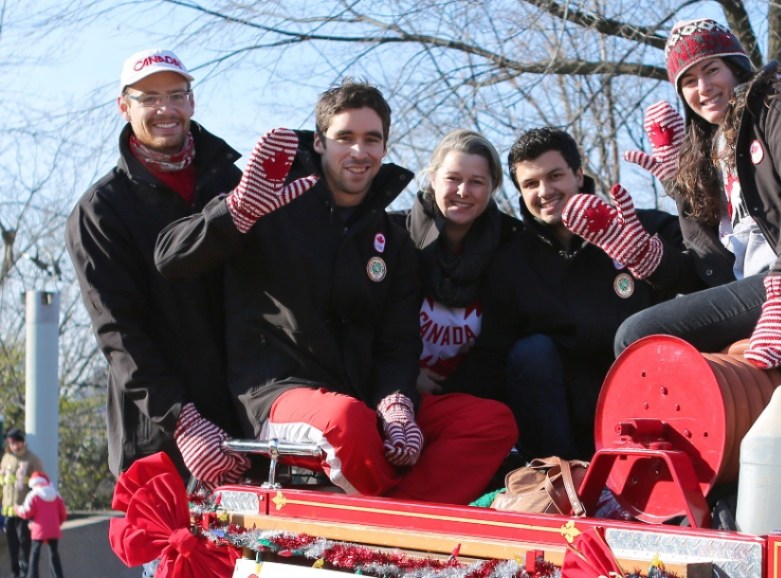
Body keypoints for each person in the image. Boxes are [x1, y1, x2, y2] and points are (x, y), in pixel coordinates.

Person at [153, 81, 518, 504]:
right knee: (346, 423)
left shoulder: (393, 239)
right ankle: (398, 520)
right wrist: (235, 213)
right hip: (281, 396)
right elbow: (169, 258)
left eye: (372, 139)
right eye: (345, 137)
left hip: (362, 399)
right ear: (320, 142)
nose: (359, 151)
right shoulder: (269, 203)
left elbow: (398, 343)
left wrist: (397, 400)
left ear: (384, 147)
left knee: (490, 422)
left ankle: (392, 522)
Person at [562, 19, 781, 406]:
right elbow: (710, 271)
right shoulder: (711, 154)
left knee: (638, 335)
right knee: (643, 336)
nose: (703, 87)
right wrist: (649, 255)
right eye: (688, 81)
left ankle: (680, 432)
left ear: (736, 66)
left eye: (711, 69)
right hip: (756, 293)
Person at [65, 48, 250, 487]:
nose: (165, 109)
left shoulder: (235, 186)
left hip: (246, 428)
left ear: (192, 102)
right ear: (123, 106)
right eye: (148, 98)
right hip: (159, 441)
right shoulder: (101, 210)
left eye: (176, 95)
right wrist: (182, 419)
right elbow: (119, 333)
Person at [457, 127, 684, 460]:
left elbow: (701, 271)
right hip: (560, 420)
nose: (545, 191)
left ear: (578, 174)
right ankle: (563, 475)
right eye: (531, 184)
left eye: (555, 176)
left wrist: (659, 258)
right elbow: (493, 352)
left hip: (646, 399)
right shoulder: (511, 262)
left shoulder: (637, 228)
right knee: (531, 352)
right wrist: (440, 398)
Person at [398, 129, 520, 398]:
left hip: (475, 394)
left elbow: (503, 342)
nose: (463, 191)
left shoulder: (511, 244)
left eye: (476, 181)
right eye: (453, 178)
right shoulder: (392, 234)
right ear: (433, 179)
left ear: (492, 187)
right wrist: (405, 372)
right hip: (396, 388)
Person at [1, 428, 44, 578]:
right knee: (12, 543)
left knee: (25, 543)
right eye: (11, 443)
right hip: (8, 510)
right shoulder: (6, 458)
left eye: (17, 443)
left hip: (25, 510)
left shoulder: (32, 459)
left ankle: (26, 572)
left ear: (23, 442)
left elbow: (40, 485)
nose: (14, 446)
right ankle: (15, 572)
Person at [16, 472, 66, 578]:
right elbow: (63, 513)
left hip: (38, 530)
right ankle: (58, 575)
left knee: (34, 553)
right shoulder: (56, 494)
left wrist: (17, 509)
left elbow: (26, 512)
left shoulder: (33, 495)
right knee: (54, 553)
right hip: (53, 529)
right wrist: (57, 524)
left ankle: (32, 575)